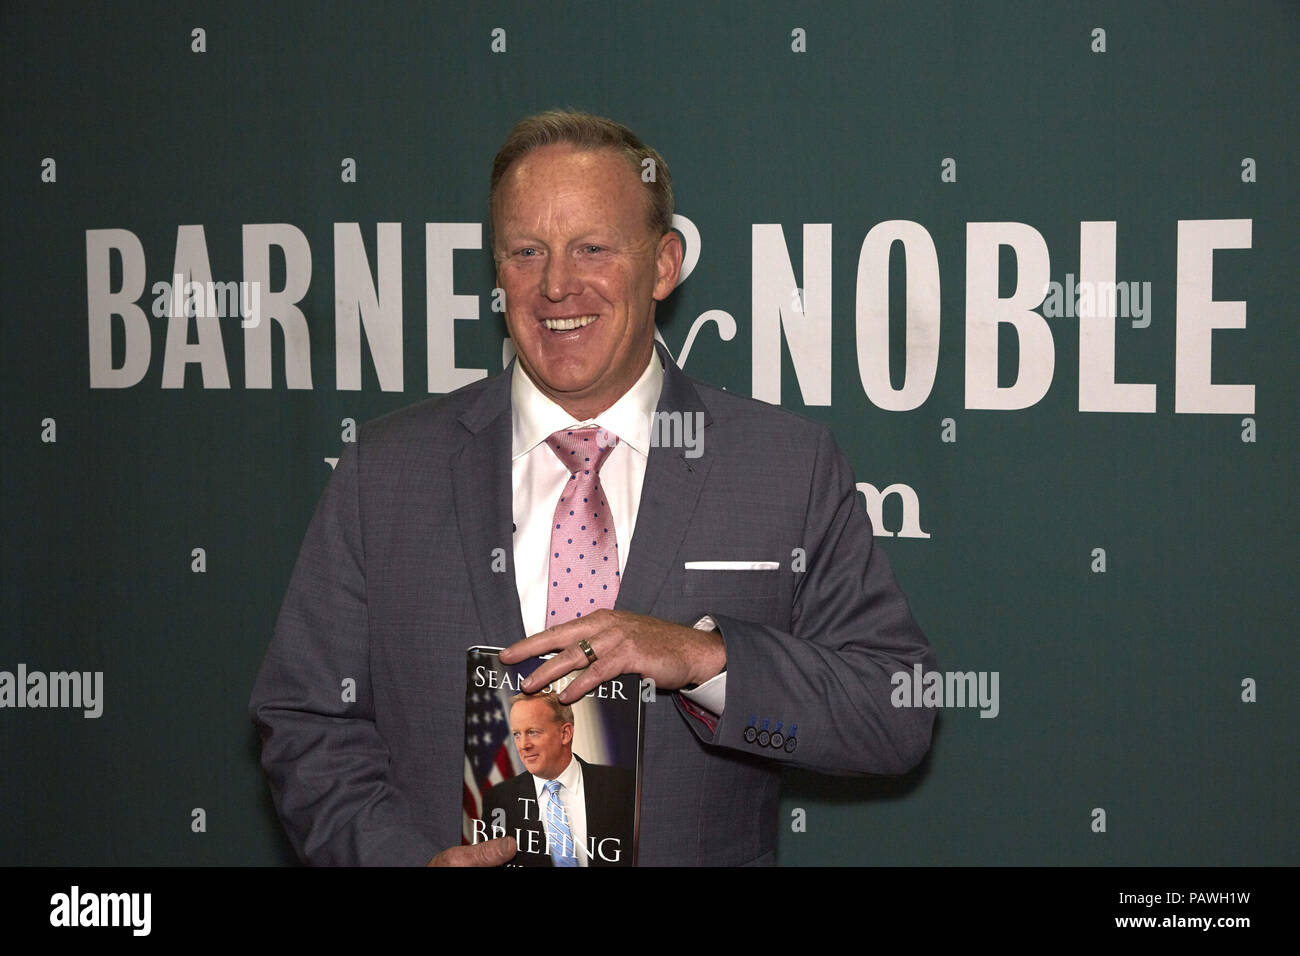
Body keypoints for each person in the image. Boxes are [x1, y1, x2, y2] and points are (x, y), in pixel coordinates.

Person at [250, 110, 937, 866]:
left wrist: (706, 659)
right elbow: (307, 721)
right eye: (526, 251)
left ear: (664, 264)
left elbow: (894, 714)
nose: (555, 285)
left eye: (593, 248)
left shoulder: (784, 467)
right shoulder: (384, 473)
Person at [480, 692, 635, 867]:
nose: (523, 745)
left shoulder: (624, 786)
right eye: (517, 734)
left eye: (533, 732)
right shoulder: (499, 799)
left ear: (565, 734)